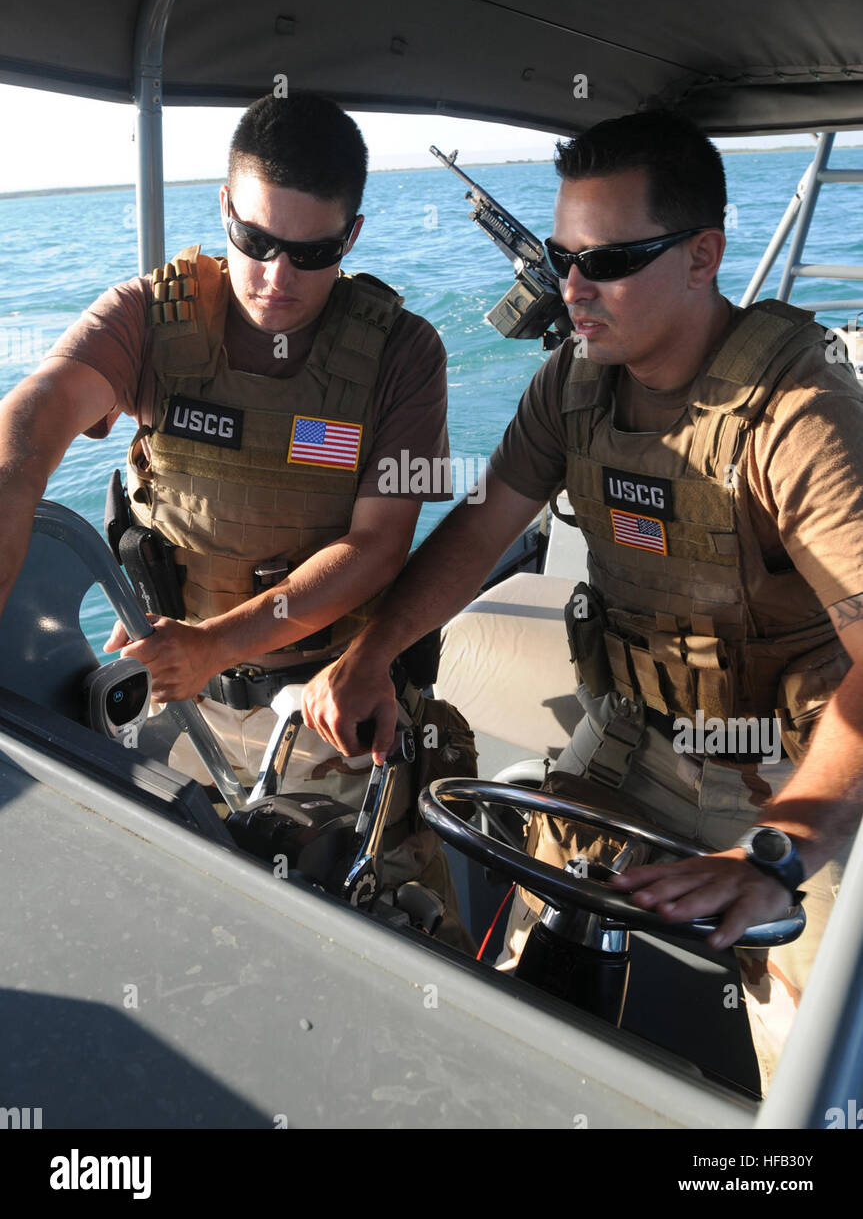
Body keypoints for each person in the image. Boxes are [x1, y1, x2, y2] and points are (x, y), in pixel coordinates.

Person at [301, 109, 863, 1093]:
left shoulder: (797, 418)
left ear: (701, 255)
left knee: (821, 1067)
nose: (569, 289)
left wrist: (780, 852)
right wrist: (373, 651)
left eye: (604, 261)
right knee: (523, 990)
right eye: (562, 257)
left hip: (797, 763)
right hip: (637, 736)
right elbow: (476, 533)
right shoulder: (570, 385)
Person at [0, 91, 473, 946]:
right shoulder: (152, 318)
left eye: (311, 252)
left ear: (352, 237)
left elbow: (376, 547)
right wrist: (11, 477)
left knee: (375, 933)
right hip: (175, 694)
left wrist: (218, 643)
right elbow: (38, 414)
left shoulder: (404, 354)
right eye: (254, 242)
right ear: (223, 207)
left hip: (327, 700)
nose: (276, 278)